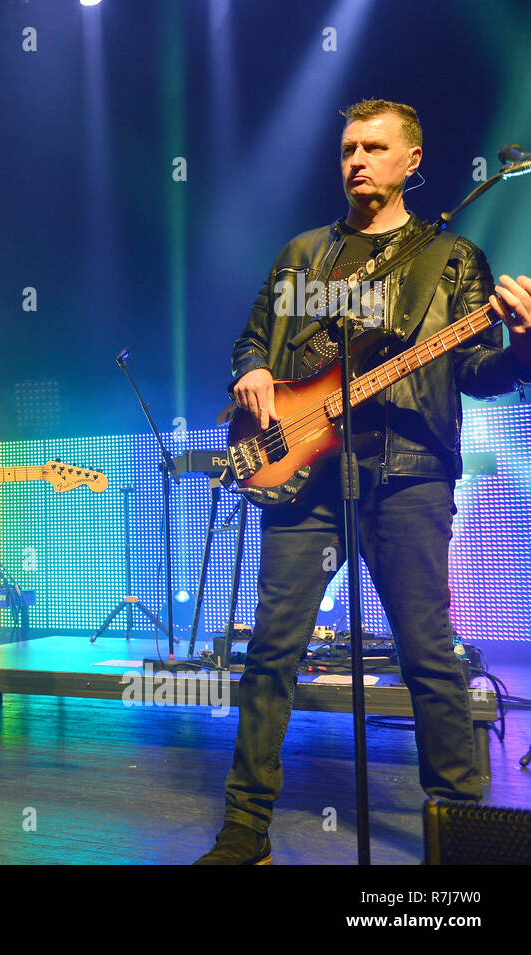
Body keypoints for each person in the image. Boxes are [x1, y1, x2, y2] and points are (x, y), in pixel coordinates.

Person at [197, 100, 531, 864]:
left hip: (407, 474)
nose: (356, 159)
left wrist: (523, 348)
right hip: (303, 472)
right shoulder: (302, 256)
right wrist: (251, 365)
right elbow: (255, 335)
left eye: (375, 147)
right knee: (271, 652)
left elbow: (478, 370)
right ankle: (244, 829)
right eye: (349, 147)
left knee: (428, 653)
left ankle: (460, 833)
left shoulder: (449, 259)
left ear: (412, 161)